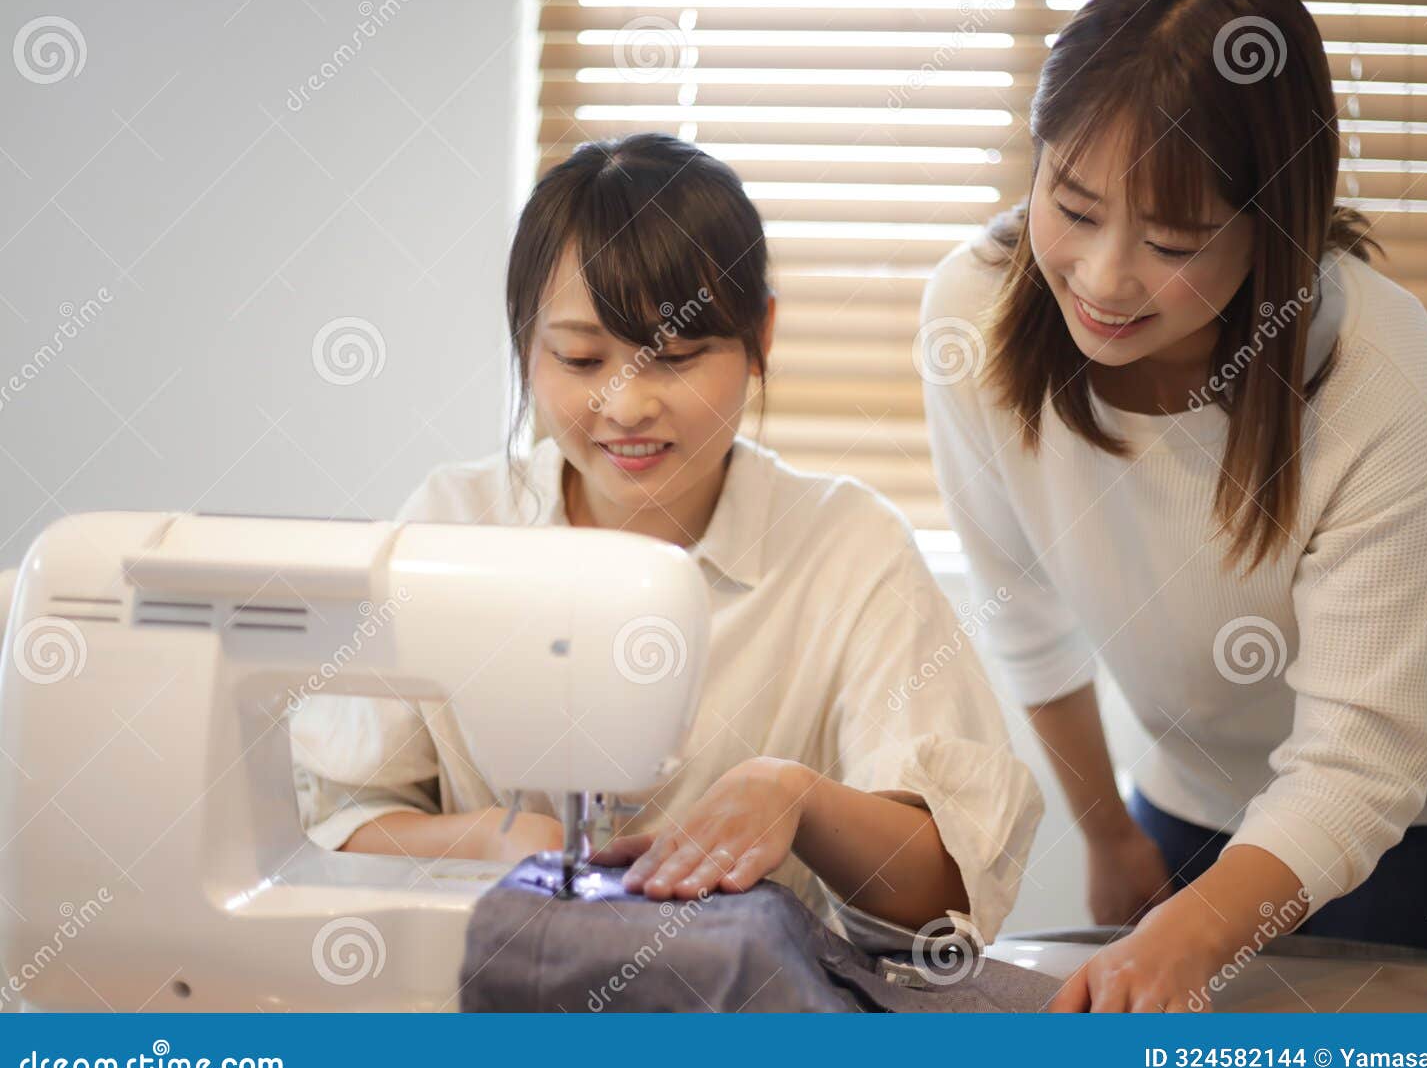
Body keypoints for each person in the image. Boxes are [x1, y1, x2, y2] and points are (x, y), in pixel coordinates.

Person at [920, 0, 1427, 1010]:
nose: (1105, 277)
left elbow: (1357, 765)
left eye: (1171, 237)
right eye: (1071, 207)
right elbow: (1022, 610)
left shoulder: (1376, 369)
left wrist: (1201, 921)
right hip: (1200, 768)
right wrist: (1107, 831)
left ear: (1276, 226)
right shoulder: (969, 319)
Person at [291, 133, 1042, 948]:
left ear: (762, 337)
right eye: (580, 359)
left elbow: (946, 892)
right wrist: (488, 841)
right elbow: (335, 818)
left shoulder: (846, 551)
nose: (626, 405)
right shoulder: (452, 528)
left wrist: (801, 802)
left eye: (678, 356)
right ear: (525, 346)